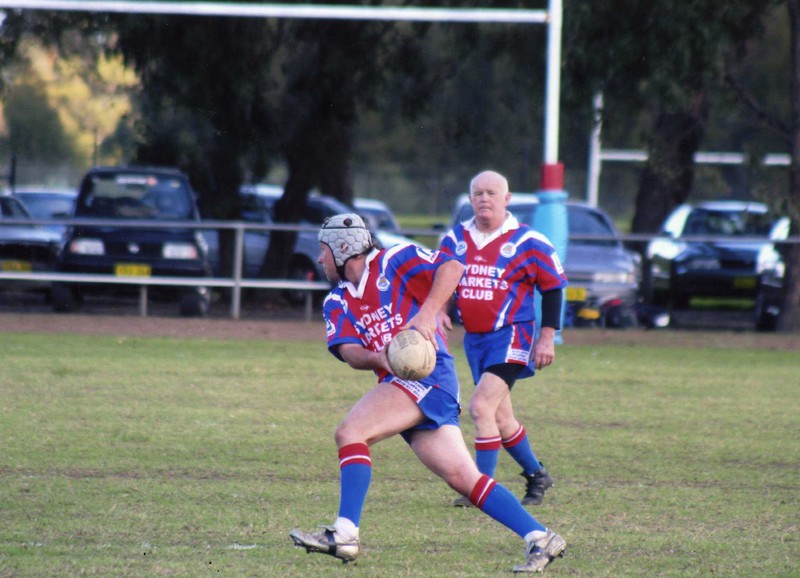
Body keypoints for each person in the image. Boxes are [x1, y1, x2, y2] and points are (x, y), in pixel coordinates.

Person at [289, 213, 566, 573]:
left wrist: (427, 314)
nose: (320, 259)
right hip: (403, 385)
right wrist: (377, 357)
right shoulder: (337, 301)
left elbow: (452, 267)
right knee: (465, 480)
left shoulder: (396, 259)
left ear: (344, 249)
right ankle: (540, 537)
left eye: (323, 251)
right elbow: (347, 351)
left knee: (350, 432)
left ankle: (345, 533)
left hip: (430, 377)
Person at [438, 170, 568, 508]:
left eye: (492, 193)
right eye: (478, 192)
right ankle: (537, 475)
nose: (484, 198)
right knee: (500, 418)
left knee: (480, 407)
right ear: (470, 199)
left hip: (513, 335)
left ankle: (482, 490)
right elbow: (443, 280)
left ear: (506, 199)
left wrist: (547, 337)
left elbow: (553, 288)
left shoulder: (529, 242)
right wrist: (440, 310)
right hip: (475, 339)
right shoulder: (454, 239)